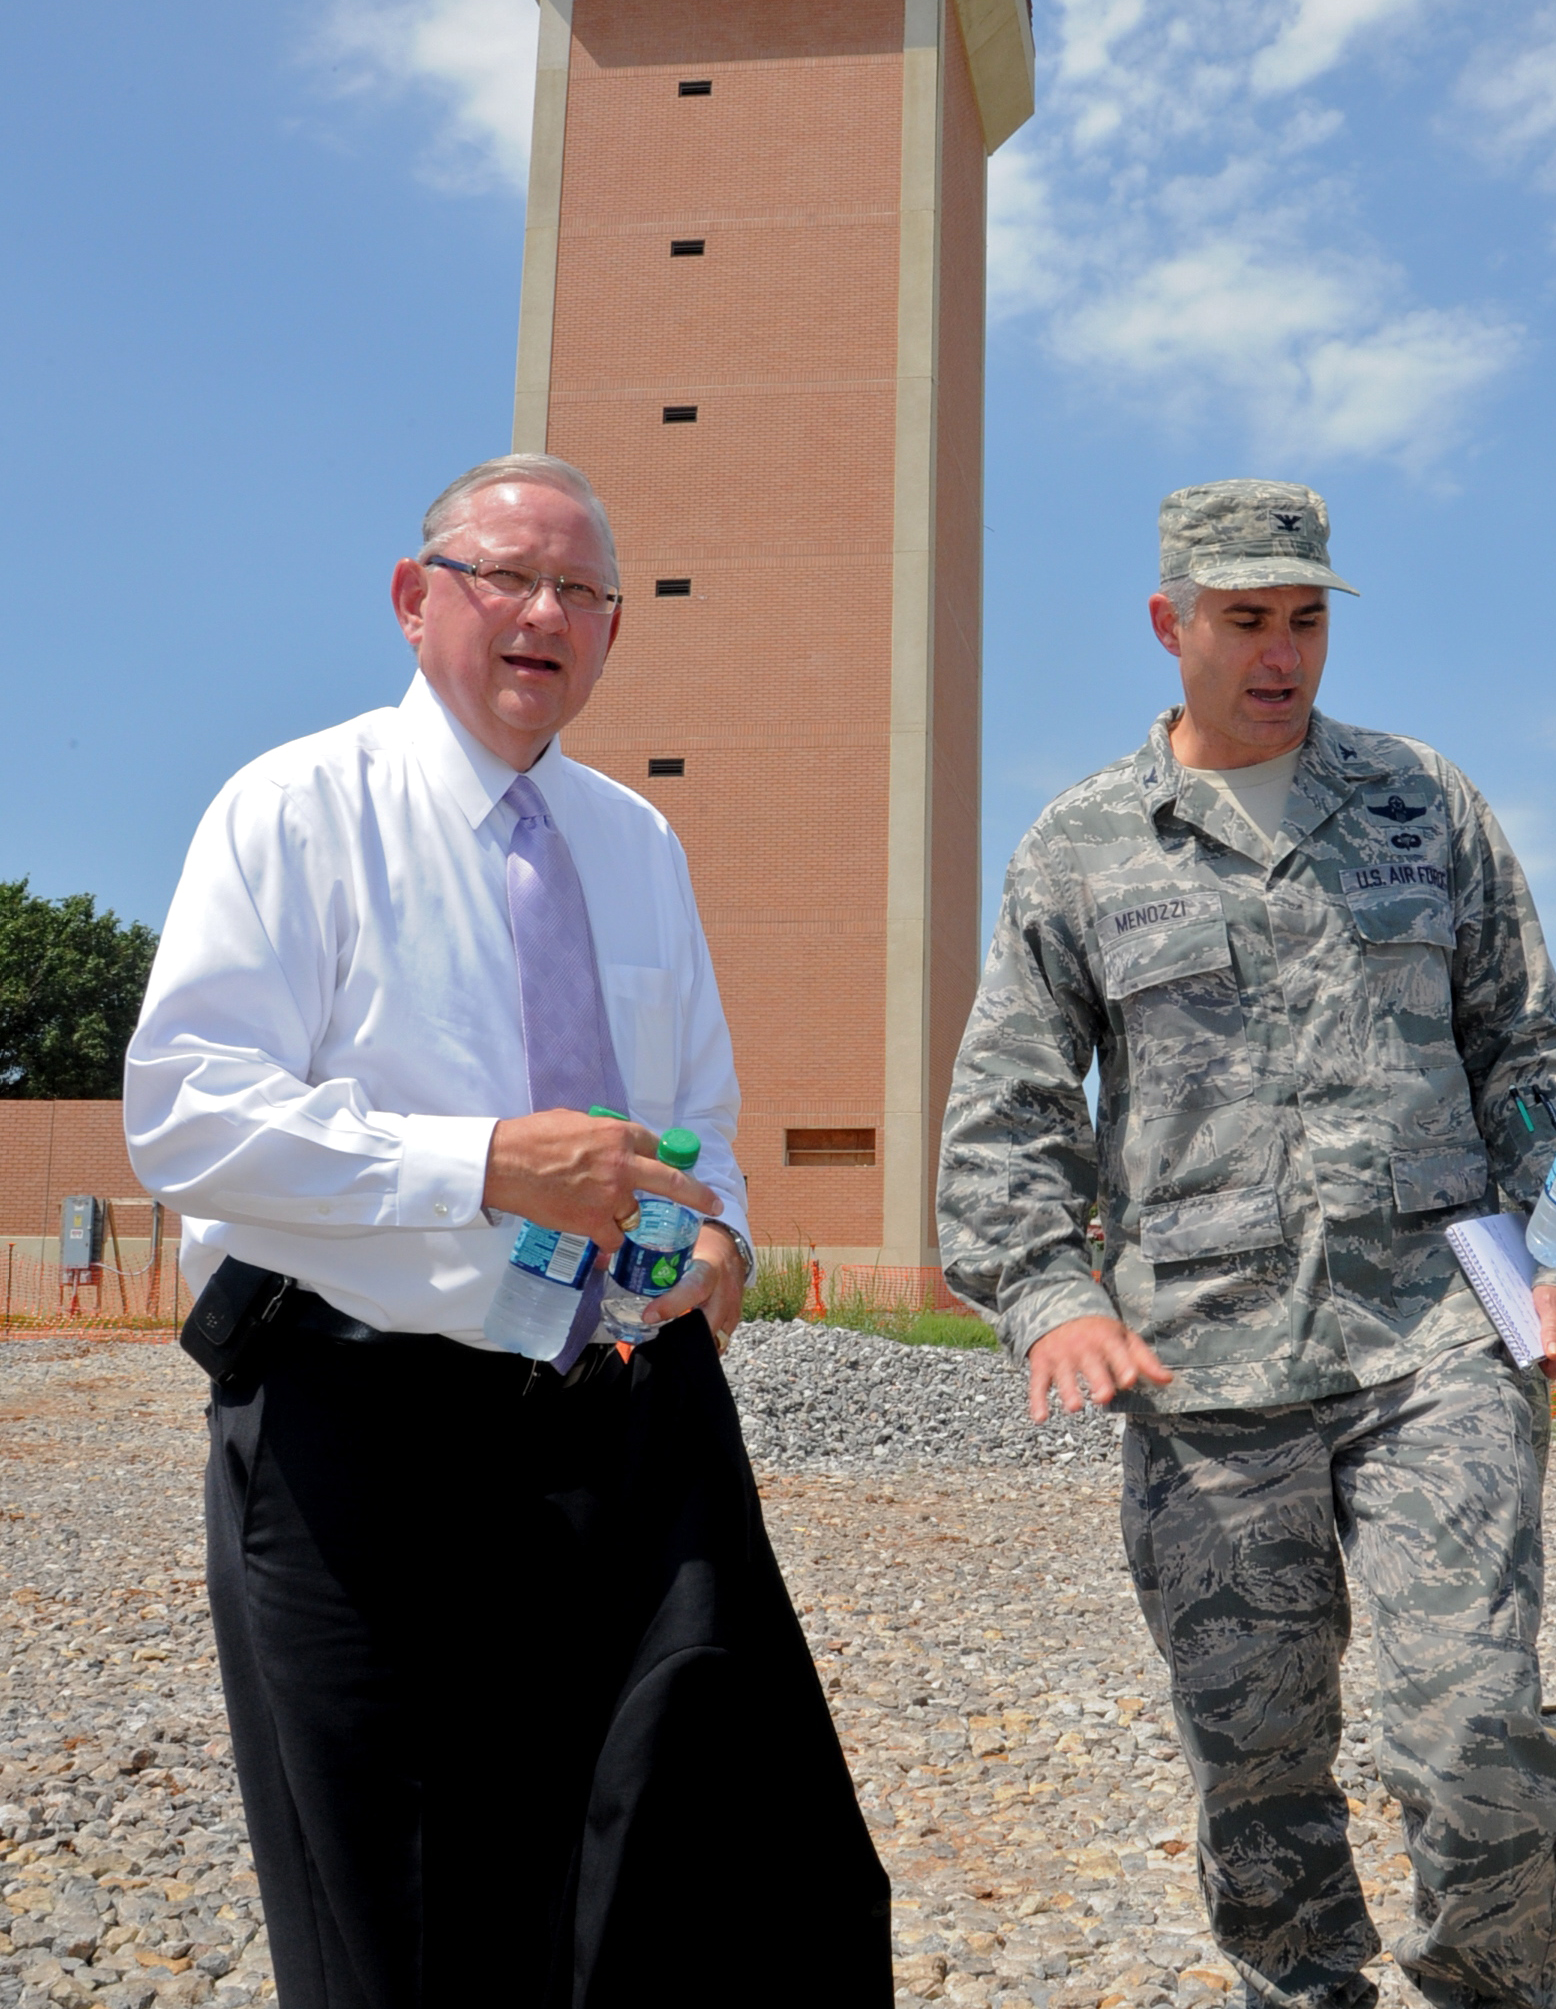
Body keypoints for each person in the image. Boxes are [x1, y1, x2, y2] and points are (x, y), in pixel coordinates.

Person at [126, 450, 890, 2009]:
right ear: (419, 603)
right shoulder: (295, 811)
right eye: (507, 577)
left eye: (581, 593)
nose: (543, 613)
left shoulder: (638, 845)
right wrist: (476, 1162)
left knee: (706, 1868)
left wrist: (723, 1241)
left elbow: (703, 1121)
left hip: (623, 1416)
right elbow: (187, 1113)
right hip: (364, 1430)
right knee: (409, 1920)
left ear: (612, 633)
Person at [937, 477, 1556, 2009]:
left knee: (1481, 1729)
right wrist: (1049, 1295)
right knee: (1256, 1765)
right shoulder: (1084, 843)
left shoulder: (1427, 802)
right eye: (1244, 621)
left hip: (1438, 1342)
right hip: (1206, 1375)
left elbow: (1526, 1054)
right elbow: (1007, 1110)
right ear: (1172, 626)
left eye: (1304, 620)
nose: (1281, 654)